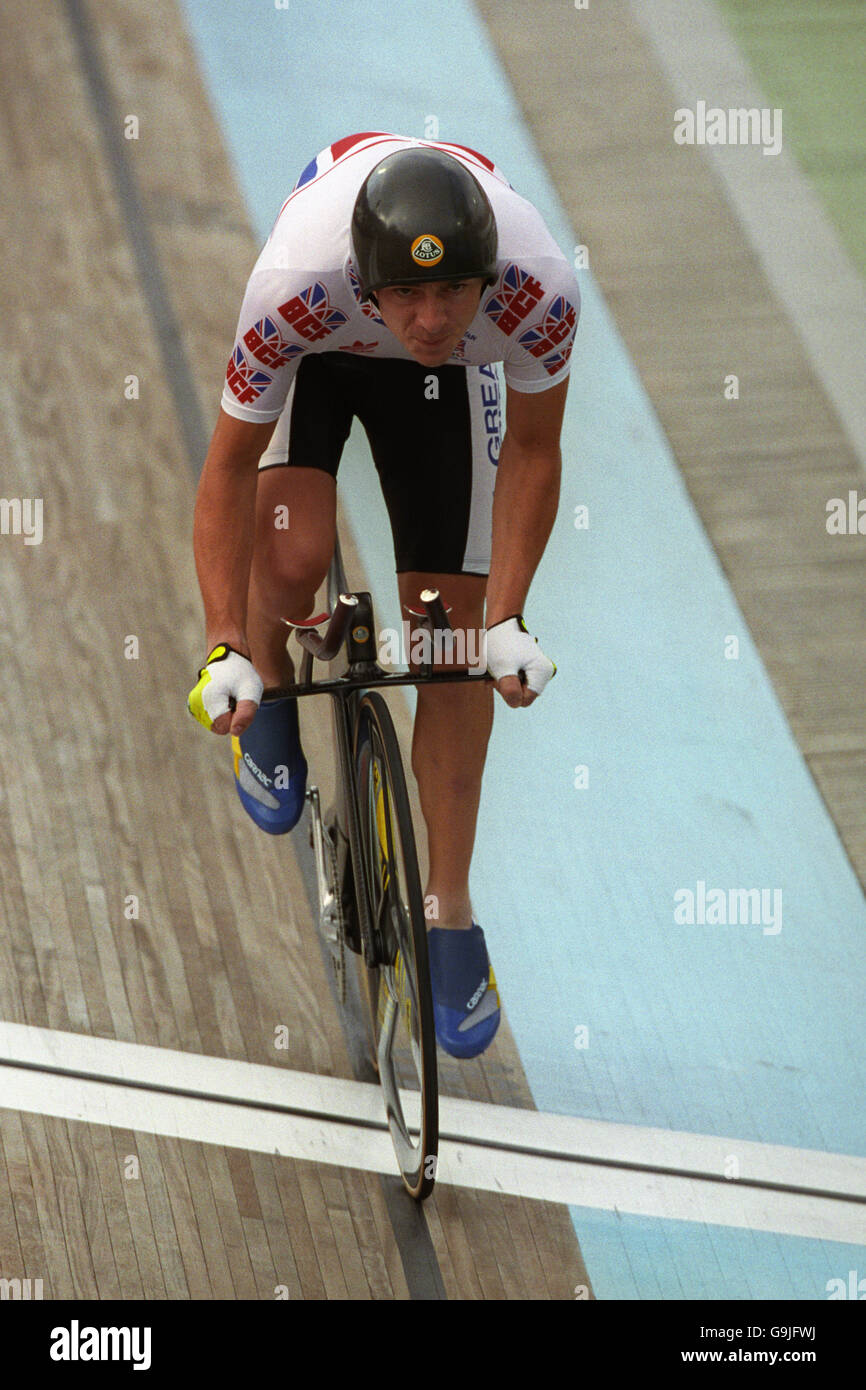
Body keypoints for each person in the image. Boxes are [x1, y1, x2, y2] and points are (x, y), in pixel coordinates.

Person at [188, 132, 579, 1059]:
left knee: (449, 647)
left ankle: (448, 908)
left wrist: (509, 617)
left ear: (486, 276)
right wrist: (226, 643)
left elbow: (533, 451)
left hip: (445, 399)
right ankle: (279, 669)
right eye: (408, 291)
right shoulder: (295, 280)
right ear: (368, 281)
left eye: (452, 291)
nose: (434, 317)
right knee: (290, 558)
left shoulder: (537, 291)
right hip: (322, 357)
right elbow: (227, 468)